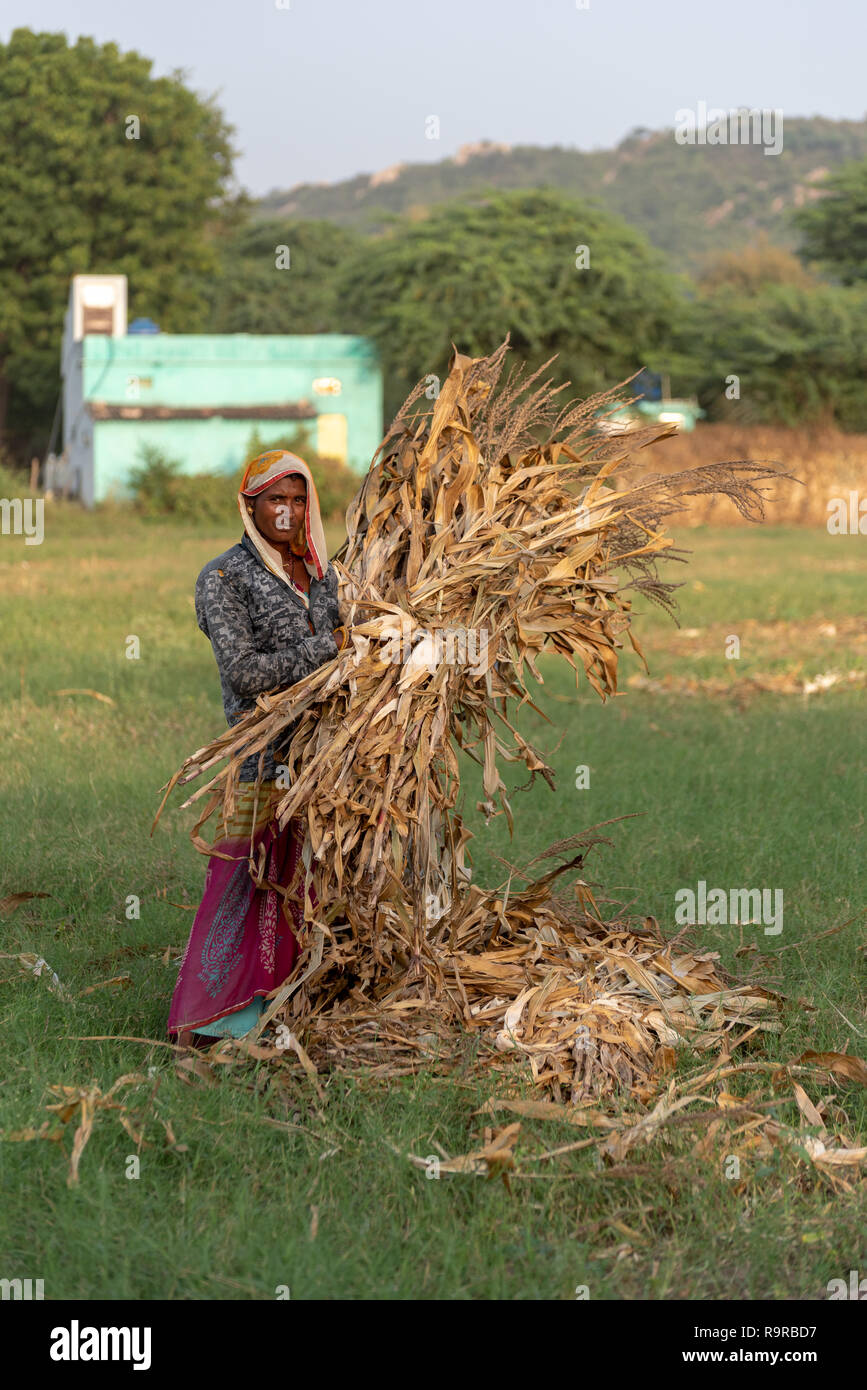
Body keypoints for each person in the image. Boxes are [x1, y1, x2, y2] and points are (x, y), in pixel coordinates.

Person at [168, 449, 350, 1048]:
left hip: (324, 759)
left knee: (309, 885)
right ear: (250, 505)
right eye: (276, 499)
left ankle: (286, 1012)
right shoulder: (223, 579)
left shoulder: (319, 575)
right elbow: (244, 672)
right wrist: (330, 649)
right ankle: (212, 1018)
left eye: (299, 501)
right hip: (262, 759)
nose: (288, 512)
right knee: (244, 884)